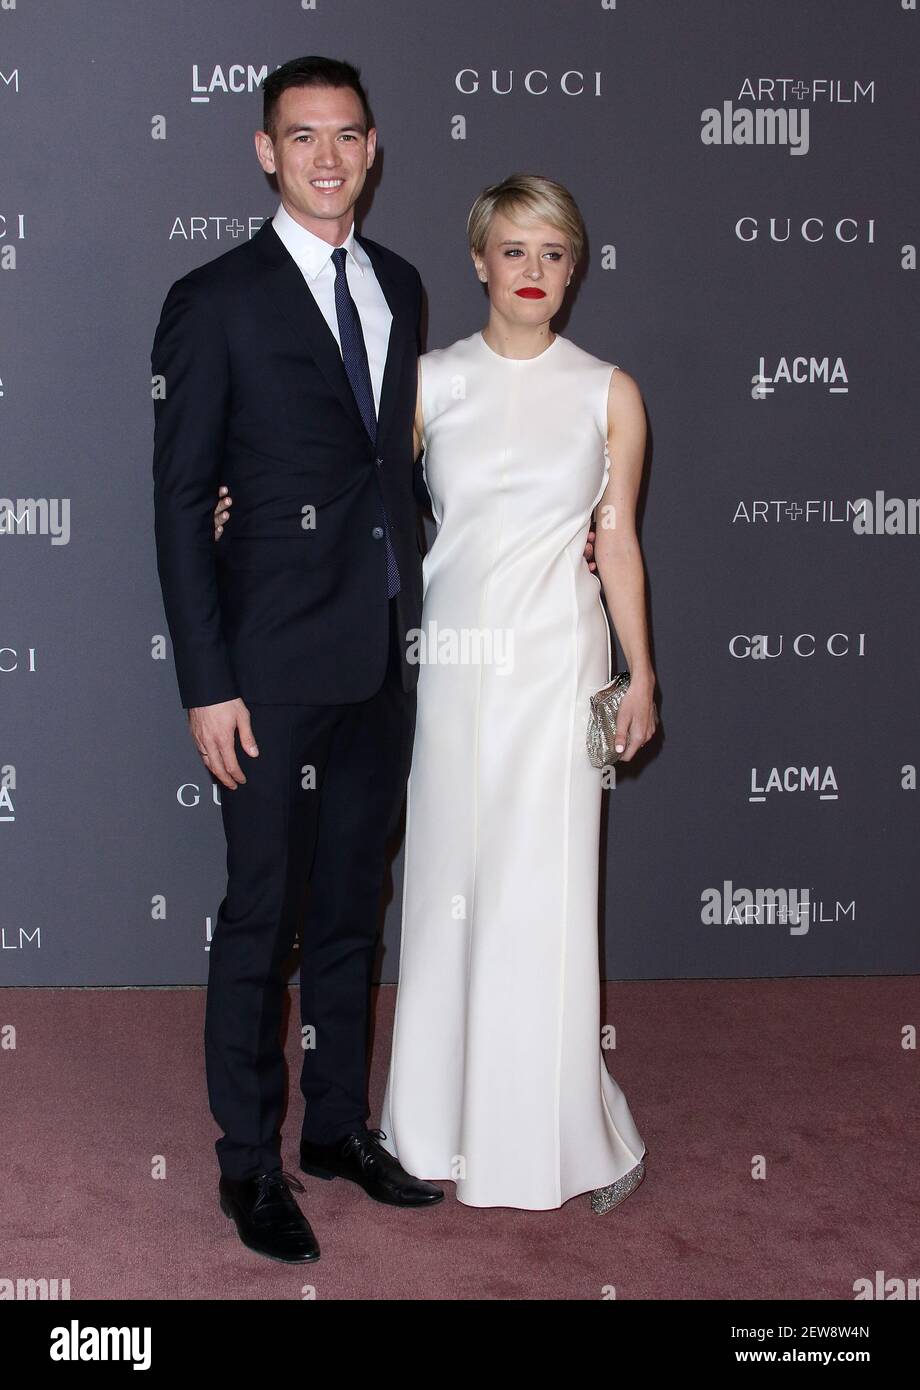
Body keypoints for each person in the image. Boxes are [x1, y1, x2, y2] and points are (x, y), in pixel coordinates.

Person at [216, 173, 657, 1214]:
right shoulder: (427, 381)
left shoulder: (610, 391)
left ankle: (552, 1133)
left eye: (553, 253)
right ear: (476, 261)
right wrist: (247, 498)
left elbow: (618, 541)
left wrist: (640, 674)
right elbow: (343, 481)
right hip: (450, 670)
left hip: (558, 668)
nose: (533, 273)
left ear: (574, 266)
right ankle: (432, 1124)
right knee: (448, 891)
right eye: (513, 251)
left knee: (544, 895)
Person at [151, 55, 444, 1266]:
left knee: (348, 914)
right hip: (265, 665)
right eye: (300, 135)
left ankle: (335, 1129)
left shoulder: (406, 287)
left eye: (346, 135)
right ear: (265, 151)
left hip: (377, 651)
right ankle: (245, 1165)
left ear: (372, 149)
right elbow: (177, 503)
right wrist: (205, 681)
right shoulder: (211, 298)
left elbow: (397, 466)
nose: (326, 156)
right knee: (258, 914)